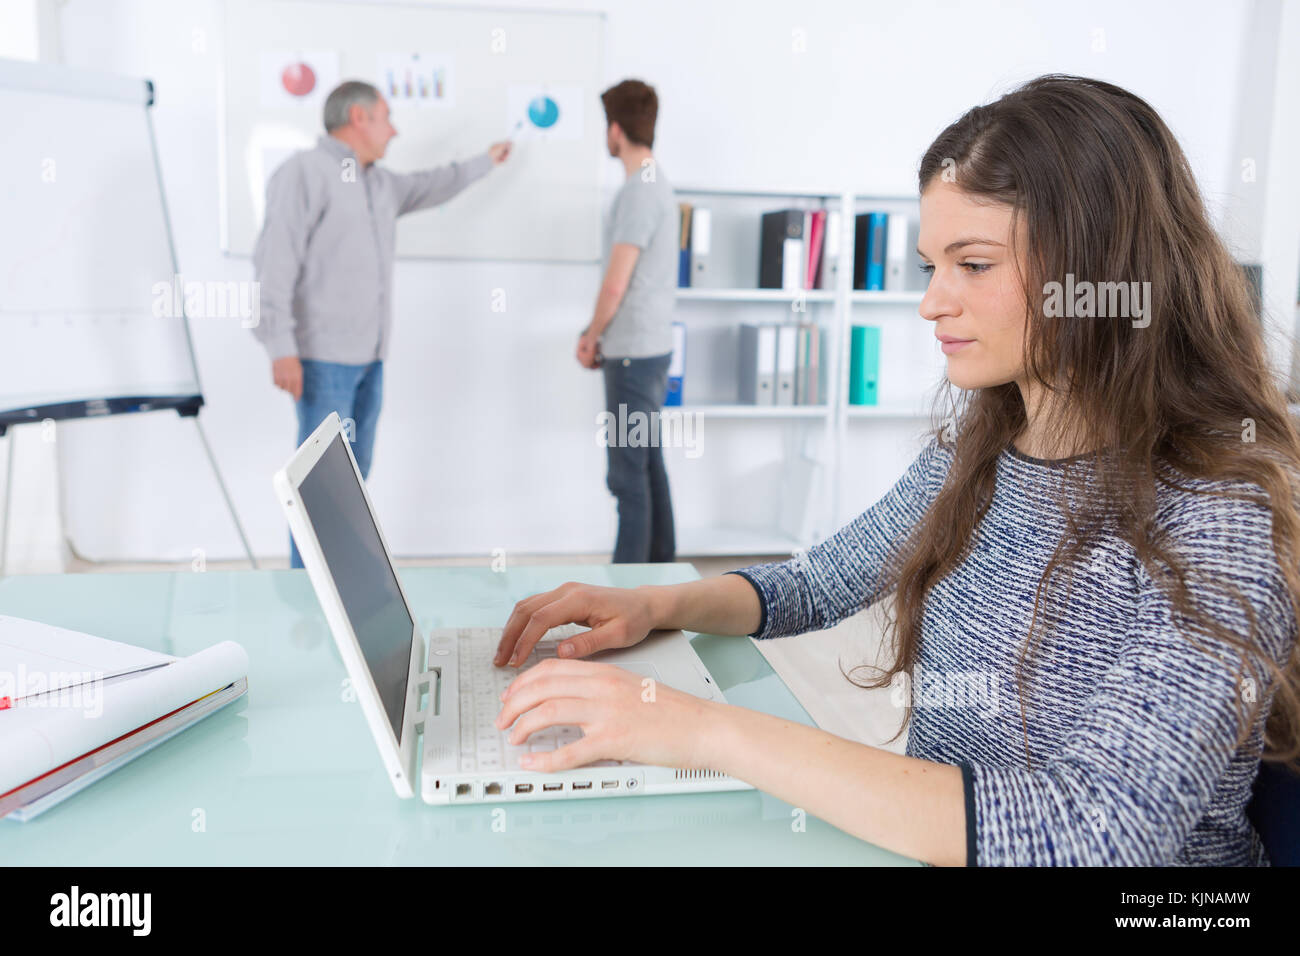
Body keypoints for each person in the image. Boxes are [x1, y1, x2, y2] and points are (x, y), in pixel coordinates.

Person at [490, 74, 1300, 866]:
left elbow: (1094, 834)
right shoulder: (980, 454)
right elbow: (814, 584)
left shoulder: (1217, 516)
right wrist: (654, 604)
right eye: (929, 267)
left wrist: (702, 731)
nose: (932, 302)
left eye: (973, 265)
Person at [253, 80, 511, 567]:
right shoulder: (303, 174)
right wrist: (279, 346)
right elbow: (274, 263)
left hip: (370, 359)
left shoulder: (380, 184)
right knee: (318, 490)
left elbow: (435, 183)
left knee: (351, 484)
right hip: (322, 360)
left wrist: (485, 161)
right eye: (387, 117)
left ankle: (341, 591)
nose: (394, 130)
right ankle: (307, 596)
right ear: (358, 118)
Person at [577, 79, 678, 564]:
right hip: (650, 347)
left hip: (633, 352)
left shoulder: (638, 192)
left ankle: (627, 595)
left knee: (627, 478)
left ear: (615, 129)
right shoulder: (658, 183)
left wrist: (592, 335)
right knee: (647, 465)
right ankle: (661, 584)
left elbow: (615, 285)